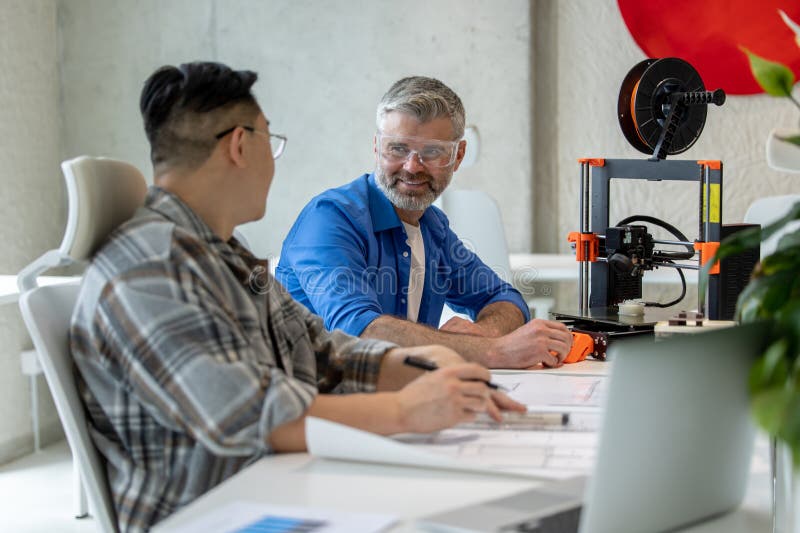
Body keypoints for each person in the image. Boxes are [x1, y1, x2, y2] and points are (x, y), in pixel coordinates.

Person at [69, 62, 523, 533]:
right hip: (218, 513)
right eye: (273, 142)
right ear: (241, 146)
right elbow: (248, 416)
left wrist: (422, 365)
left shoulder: (220, 252)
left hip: (276, 483)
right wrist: (408, 408)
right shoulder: (150, 268)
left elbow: (319, 349)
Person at [276, 76, 572, 369]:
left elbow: (503, 297)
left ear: (458, 156)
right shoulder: (329, 218)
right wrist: (493, 351)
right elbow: (362, 331)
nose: (412, 167)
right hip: (320, 410)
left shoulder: (433, 228)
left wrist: (484, 334)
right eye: (398, 148)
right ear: (377, 147)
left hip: (402, 402)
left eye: (432, 152)